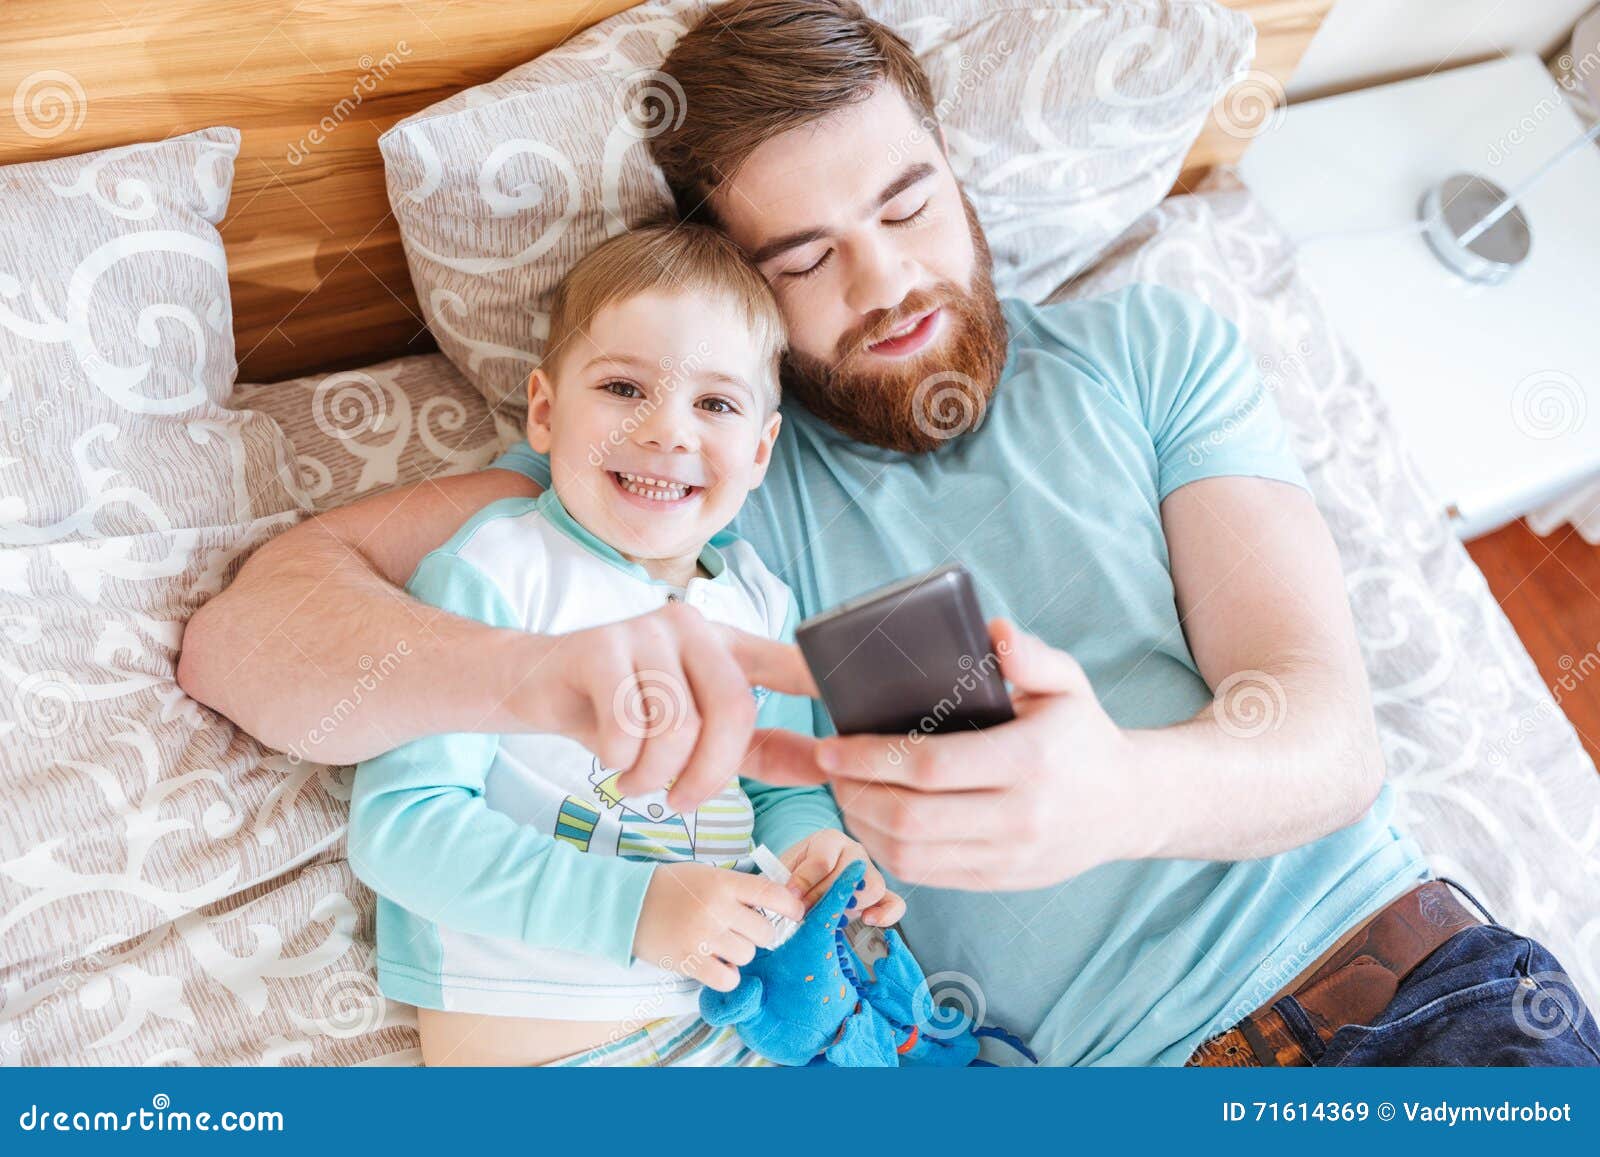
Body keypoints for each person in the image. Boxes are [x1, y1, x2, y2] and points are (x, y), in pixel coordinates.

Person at [179, 0, 1599, 1066]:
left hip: (1403, 1012)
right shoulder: (698, 480)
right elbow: (251, 642)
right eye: (804, 260)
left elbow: (1324, 740)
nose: (888, 280)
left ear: (957, 176)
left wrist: (1116, 793)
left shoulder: (1149, 348)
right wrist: (521, 679)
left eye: (909, 204)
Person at [348, 223, 903, 1067]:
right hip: (557, 1048)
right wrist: (634, 910)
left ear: (758, 451)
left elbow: (778, 786)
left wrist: (813, 851)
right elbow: (399, 826)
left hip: (741, 1028)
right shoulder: (495, 572)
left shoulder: (758, 603)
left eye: (714, 403)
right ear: (544, 411)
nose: (667, 431)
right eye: (622, 387)